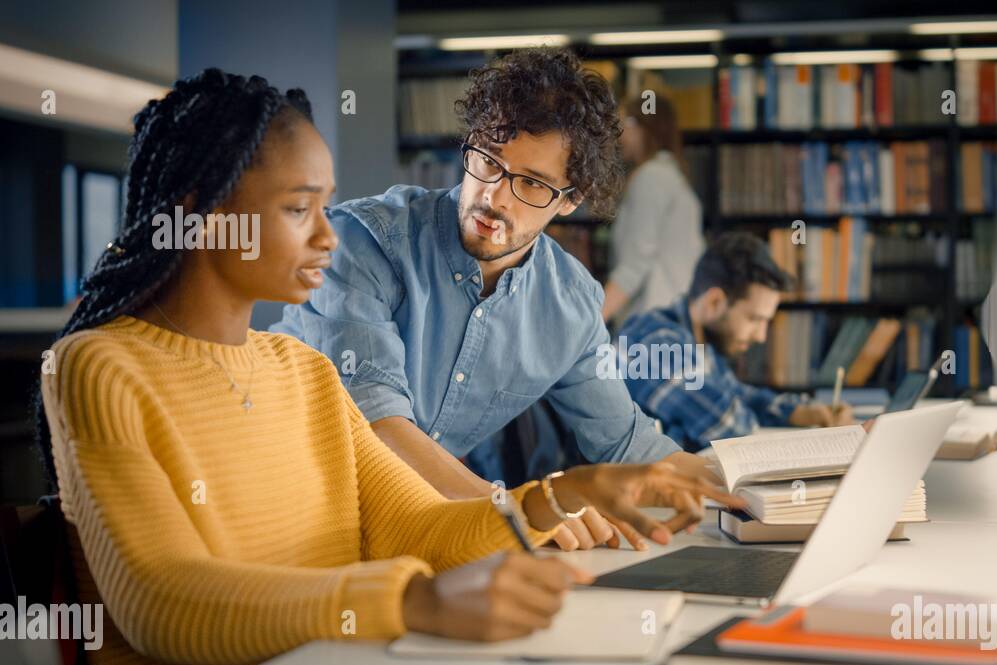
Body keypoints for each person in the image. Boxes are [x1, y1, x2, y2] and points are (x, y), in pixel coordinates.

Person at [34, 69, 739, 665]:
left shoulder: (302, 369)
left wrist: (556, 494)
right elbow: (164, 601)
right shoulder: (97, 367)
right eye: (297, 208)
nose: (327, 234)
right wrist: (412, 600)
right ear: (202, 213)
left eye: (323, 203)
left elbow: (419, 529)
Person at [271, 48, 717, 552]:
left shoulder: (569, 303)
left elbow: (626, 442)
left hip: (398, 528)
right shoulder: (365, 239)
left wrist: (747, 486)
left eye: (530, 183)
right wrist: (522, 512)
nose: (494, 197)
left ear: (571, 199)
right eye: (487, 161)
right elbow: (380, 425)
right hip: (286, 509)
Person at [619, 232, 856, 453]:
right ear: (715, 302)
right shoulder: (656, 343)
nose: (761, 336)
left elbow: (740, 396)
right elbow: (730, 426)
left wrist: (800, 412)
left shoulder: (701, 344)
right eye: (754, 319)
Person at [600, 94, 704, 327]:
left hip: (651, 322)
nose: (618, 136)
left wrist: (590, 323)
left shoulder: (652, 178)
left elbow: (635, 264)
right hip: (670, 320)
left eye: (624, 123)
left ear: (643, 128)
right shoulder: (670, 176)